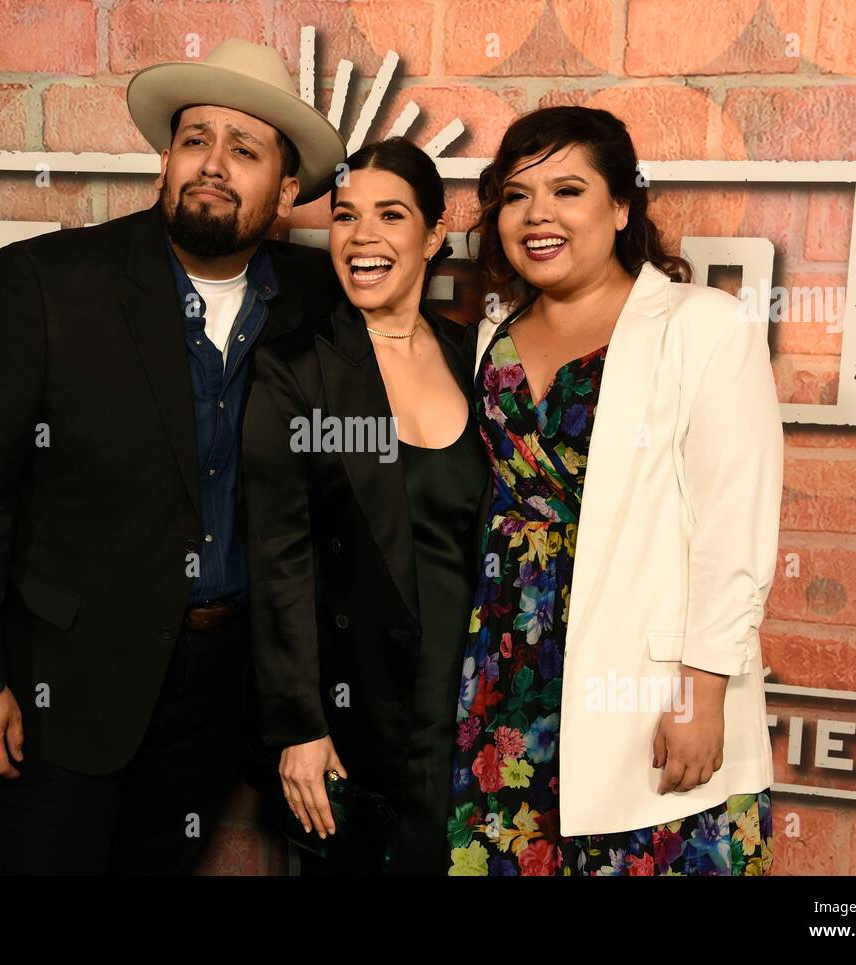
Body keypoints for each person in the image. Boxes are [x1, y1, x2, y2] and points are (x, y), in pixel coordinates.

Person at [0, 39, 347, 875]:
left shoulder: (315, 298)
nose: (213, 165)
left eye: (245, 149)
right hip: (64, 688)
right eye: (195, 140)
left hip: (221, 692)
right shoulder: (45, 282)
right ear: (166, 159)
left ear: (288, 190)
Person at [446, 106, 782, 876]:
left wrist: (703, 692)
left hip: (645, 690)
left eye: (568, 190)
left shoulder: (701, 326)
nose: (538, 215)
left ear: (622, 206)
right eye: (516, 194)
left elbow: (737, 523)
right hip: (506, 676)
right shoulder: (490, 336)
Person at [241, 137, 487, 875]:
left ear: (434, 234)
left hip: (470, 707)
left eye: (391, 214)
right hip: (355, 721)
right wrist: (300, 726)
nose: (363, 237)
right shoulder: (296, 369)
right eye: (346, 216)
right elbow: (277, 558)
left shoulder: (470, 355)